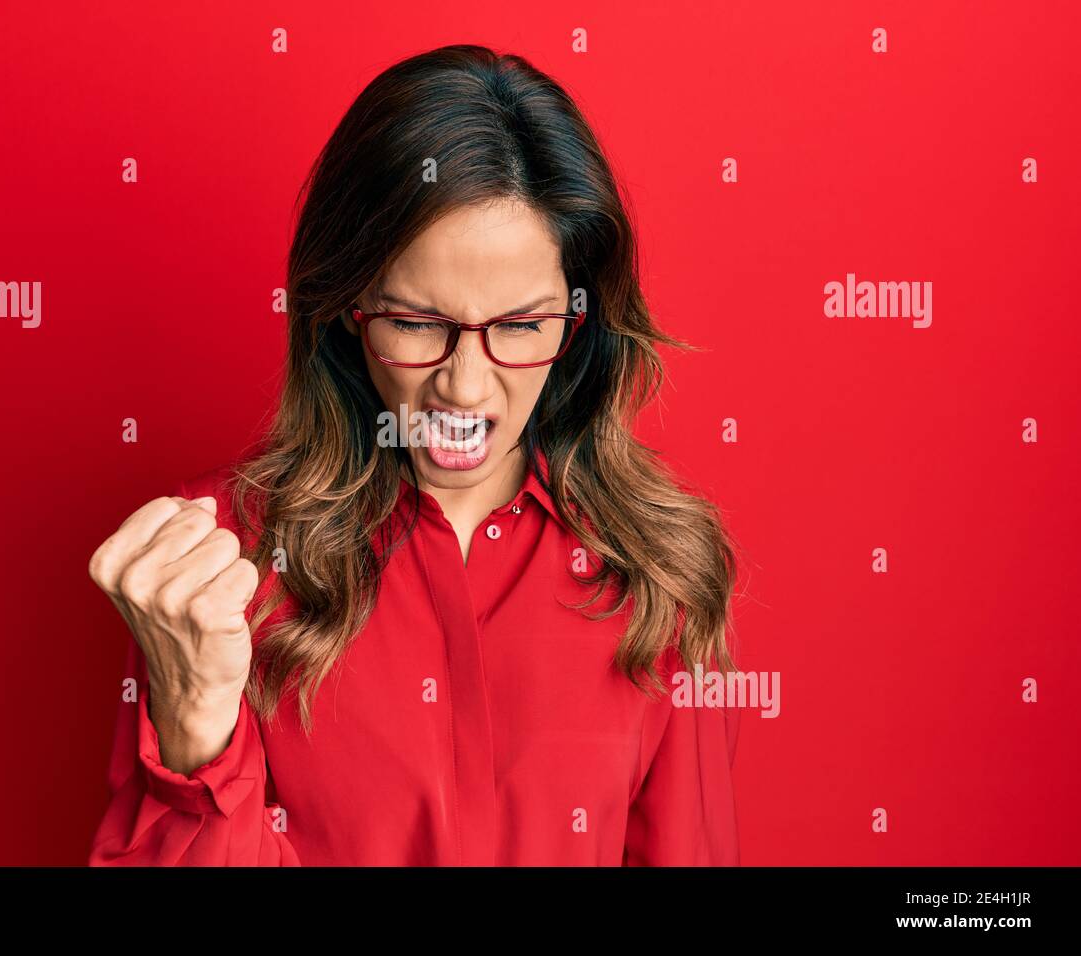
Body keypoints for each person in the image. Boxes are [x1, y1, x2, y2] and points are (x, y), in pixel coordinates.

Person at [86, 44, 741, 866]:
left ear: (578, 325)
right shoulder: (215, 565)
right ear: (345, 311)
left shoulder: (661, 574)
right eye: (417, 324)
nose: (465, 390)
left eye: (520, 326)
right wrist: (193, 725)